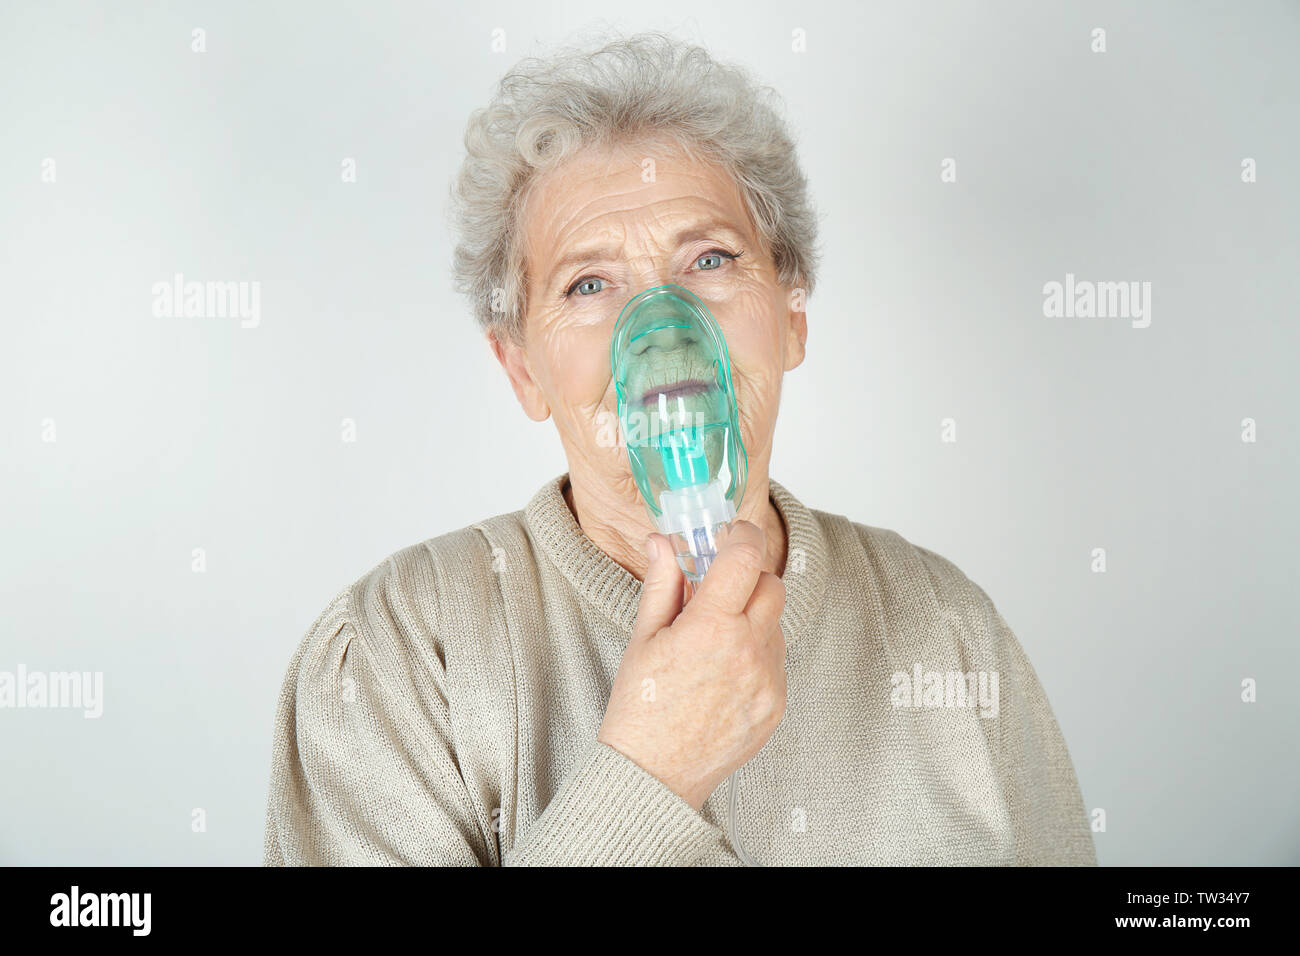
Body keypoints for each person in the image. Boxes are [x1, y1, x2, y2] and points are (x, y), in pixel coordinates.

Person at [262, 32, 1095, 866]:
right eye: (589, 284)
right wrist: (650, 774)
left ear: (790, 315)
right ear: (522, 369)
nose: (661, 333)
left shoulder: (946, 633)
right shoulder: (397, 659)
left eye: (710, 259)